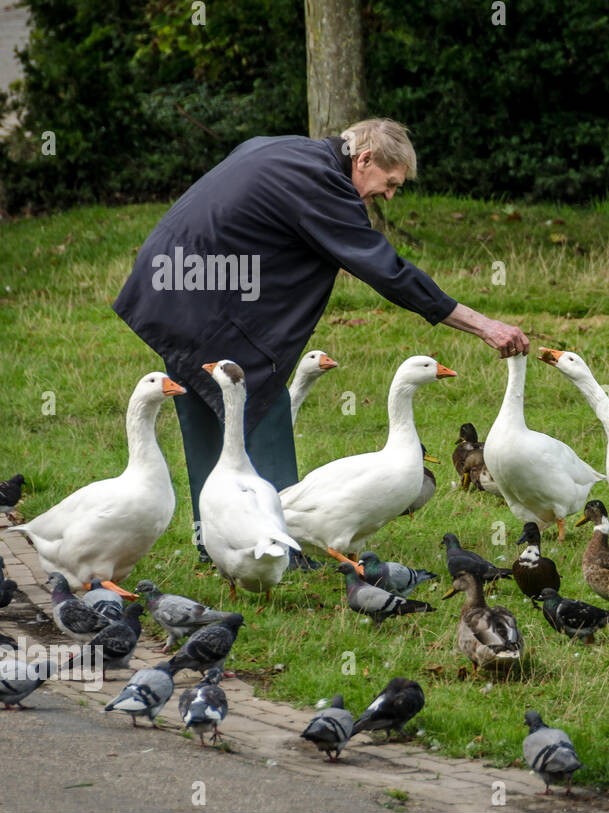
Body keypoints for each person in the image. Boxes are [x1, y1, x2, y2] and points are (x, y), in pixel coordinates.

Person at [112, 118, 528, 561]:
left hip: (169, 283)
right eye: (390, 183)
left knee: (204, 406)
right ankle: (276, 547)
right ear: (364, 159)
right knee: (257, 402)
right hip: (202, 295)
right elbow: (387, 272)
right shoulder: (322, 185)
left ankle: (214, 544)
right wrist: (484, 325)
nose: (388, 195)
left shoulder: (293, 150)